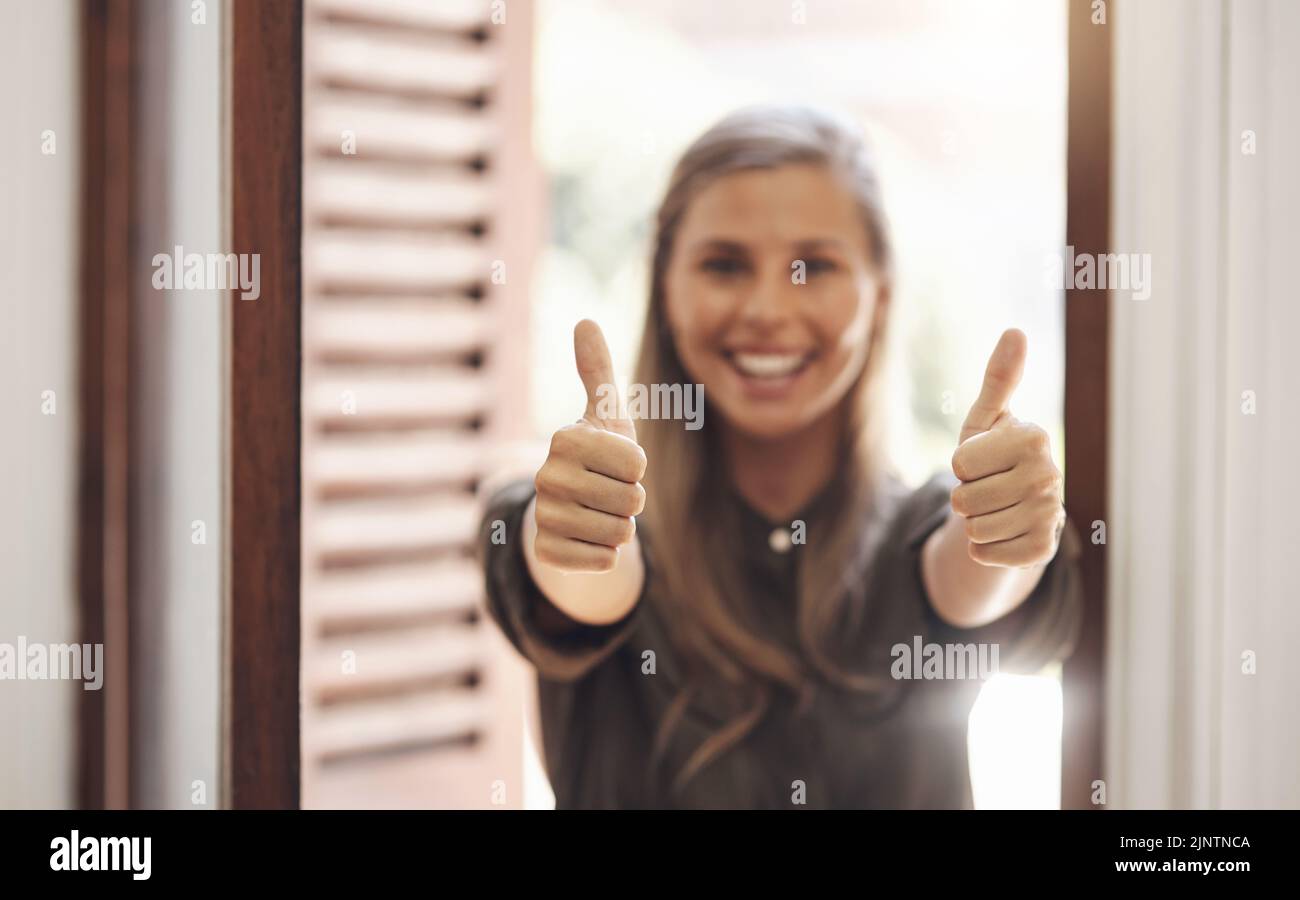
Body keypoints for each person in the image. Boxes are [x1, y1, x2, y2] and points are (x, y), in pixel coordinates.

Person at [478, 105, 1082, 809]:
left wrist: (1007, 529)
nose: (767, 307)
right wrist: (579, 529)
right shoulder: (579, 515)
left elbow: (974, 573)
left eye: (814, 266)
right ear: (665, 285)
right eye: (725, 264)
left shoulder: (922, 532)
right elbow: (585, 578)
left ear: (879, 296)